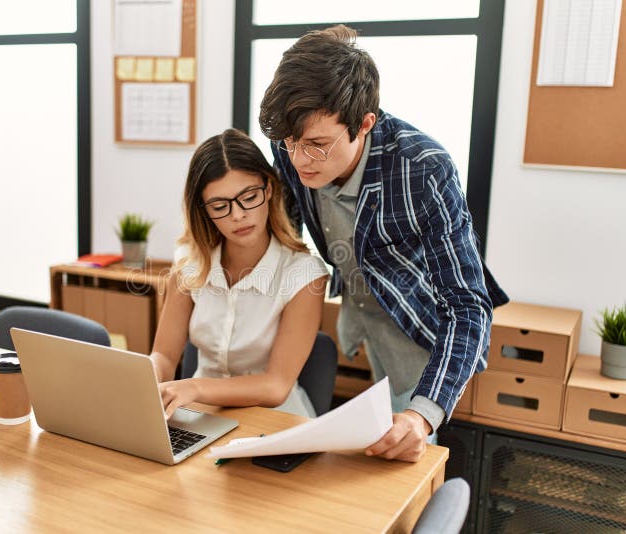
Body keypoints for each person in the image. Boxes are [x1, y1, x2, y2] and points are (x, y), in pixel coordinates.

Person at [259, 25, 509, 461]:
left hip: (416, 330)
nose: (298, 159)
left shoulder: (422, 169)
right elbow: (285, 231)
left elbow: (468, 305)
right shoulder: (295, 138)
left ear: (365, 123)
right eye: (289, 143)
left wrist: (422, 416)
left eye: (317, 146)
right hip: (356, 313)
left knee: (402, 455)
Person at [150, 128, 329, 419]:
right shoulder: (189, 262)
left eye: (249, 197)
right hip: (199, 416)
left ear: (268, 190)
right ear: (204, 210)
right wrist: (148, 375)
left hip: (275, 423)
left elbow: (276, 386)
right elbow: (165, 356)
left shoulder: (304, 274)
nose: (238, 215)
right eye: (220, 206)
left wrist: (195, 388)